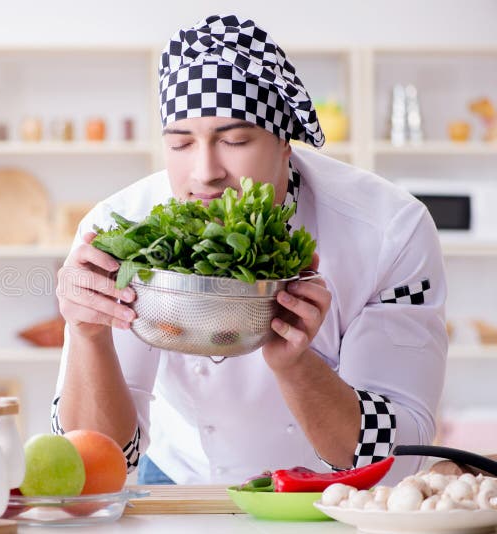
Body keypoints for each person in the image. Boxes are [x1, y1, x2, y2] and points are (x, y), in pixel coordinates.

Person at [52, 14, 447, 485]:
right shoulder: (120, 230)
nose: (204, 172)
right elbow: (93, 463)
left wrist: (298, 365)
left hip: (335, 491)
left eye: (234, 140)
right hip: (183, 479)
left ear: (284, 142)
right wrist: (87, 335)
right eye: (181, 144)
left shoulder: (390, 230)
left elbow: (399, 458)